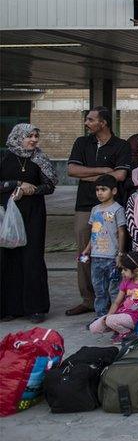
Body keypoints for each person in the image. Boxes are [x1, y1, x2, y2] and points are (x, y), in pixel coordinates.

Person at [66, 107, 132, 316]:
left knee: (114, 251)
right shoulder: (81, 143)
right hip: (85, 206)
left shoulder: (121, 146)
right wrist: (103, 171)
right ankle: (88, 299)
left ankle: (116, 299)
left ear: (103, 123)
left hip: (113, 207)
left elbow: (120, 175)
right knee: (85, 252)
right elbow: (72, 170)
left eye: (91, 120)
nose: (87, 123)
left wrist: (87, 175)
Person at [0, 124, 56, 323]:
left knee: (32, 258)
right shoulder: (5, 157)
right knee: (8, 258)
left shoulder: (39, 158)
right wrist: (16, 184)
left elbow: (50, 185)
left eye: (35, 136)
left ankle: (35, 307)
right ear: (17, 137)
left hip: (33, 214)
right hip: (6, 215)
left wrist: (33, 190)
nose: (33, 140)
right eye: (28, 136)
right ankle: (10, 307)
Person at [82, 174, 126, 318]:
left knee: (114, 290)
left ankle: (115, 318)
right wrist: (87, 250)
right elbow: (94, 232)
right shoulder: (95, 209)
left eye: (103, 189)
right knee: (99, 290)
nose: (99, 192)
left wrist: (120, 254)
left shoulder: (118, 209)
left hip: (112, 257)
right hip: (96, 257)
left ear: (113, 191)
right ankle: (100, 318)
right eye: (97, 190)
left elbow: (121, 232)